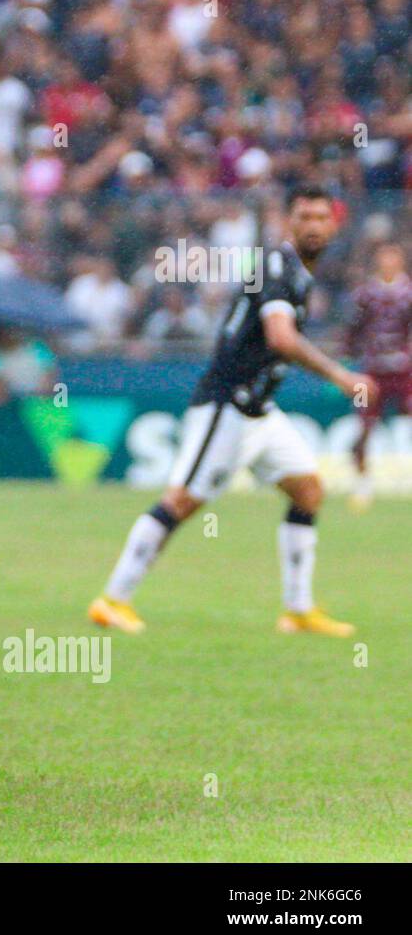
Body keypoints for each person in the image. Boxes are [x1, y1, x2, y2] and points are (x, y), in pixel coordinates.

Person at [88, 186, 376, 637]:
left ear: (334, 224)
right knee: (181, 501)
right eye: (305, 216)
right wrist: (342, 376)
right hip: (228, 406)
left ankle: (297, 610)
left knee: (308, 490)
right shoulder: (278, 267)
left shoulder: (300, 274)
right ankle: (111, 599)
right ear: (289, 222)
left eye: (322, 217)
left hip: (260, 411)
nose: (314, 225)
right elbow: (280, 338)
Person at [345, 242, 412, 510]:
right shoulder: (364, 295)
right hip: (371, 371)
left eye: (392, 258)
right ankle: (362, 483)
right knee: (363, 425)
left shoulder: (408, 293)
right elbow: (353, 329)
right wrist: (350, 355)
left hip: (404, 369)